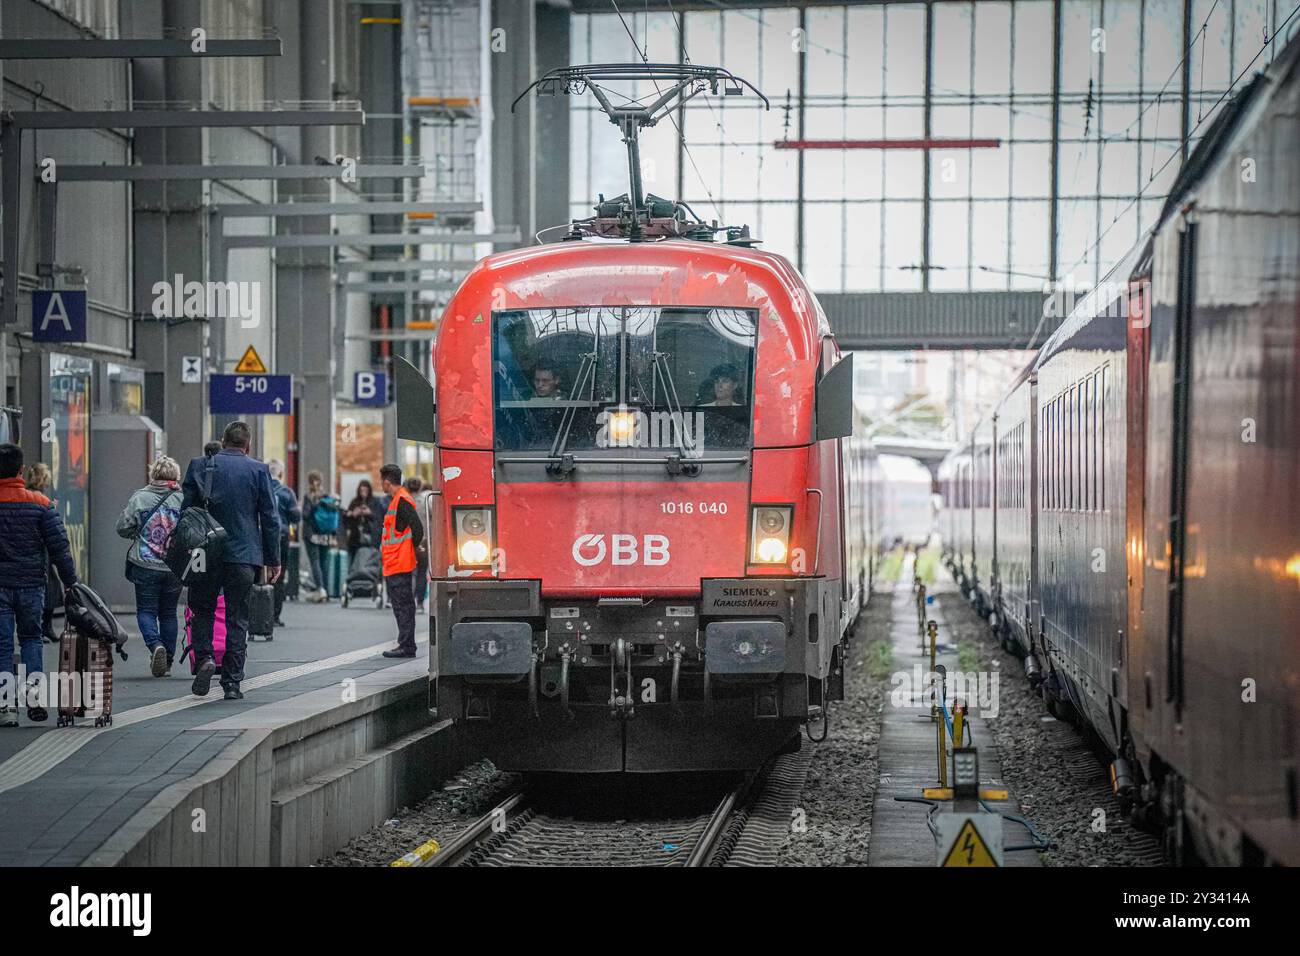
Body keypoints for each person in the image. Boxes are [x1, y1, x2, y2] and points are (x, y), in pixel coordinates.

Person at [181, 422, 280, 701]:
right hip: (244, 556)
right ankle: (233, 682)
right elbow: (270, 518)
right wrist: (273, 559)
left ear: (222, 441)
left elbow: (186, 513)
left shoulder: (200, 466)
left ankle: (204, 659)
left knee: (202, 609)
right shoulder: (258, 470)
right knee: (238, 615)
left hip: (206, 553)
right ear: (247, 446)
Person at [0, 443, 77, 725]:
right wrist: (71, 583)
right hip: (32, 585)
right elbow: (59, 548)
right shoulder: (40, 504)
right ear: (21, 469)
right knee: (32, 639)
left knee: (3, 645)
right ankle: (34, 699)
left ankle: (6, 707)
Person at [116, 456, 184, 677]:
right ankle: (169, 661)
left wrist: (137, 533)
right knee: (169, 613)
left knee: (146, 610)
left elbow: (123, 528)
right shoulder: (182, 499)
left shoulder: (140, 498)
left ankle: (156, 646)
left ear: (153, 475)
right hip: (173, 566)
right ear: (176, 476)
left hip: (144, 564)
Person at [379, 463, 423, 659]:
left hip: (400, 563)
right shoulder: (398, 500)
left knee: (403, 606)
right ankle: (405, 644)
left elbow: (418, 529)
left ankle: (407, 645)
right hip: (395, 563)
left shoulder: (402, 501)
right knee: (401, 606)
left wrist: (409, 548)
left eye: (382, 482)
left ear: (387, 482)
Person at [22, 462, 61, 643]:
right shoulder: (40, 500)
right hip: (40, 552)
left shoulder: (28, 496)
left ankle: (44, 627)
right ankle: (43, 628)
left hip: (32, 552)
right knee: (48, 588)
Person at [268, 459, 301, 627]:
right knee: (278, 577)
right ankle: (274, 616)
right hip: (281, 537)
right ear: (281, 474)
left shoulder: (262, 489)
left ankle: (258, 613)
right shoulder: (287, 492)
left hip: (261, 537)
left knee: (260, 577)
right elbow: (296, 517)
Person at [300, 470, 334, 602]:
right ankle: (326, 590)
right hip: (325, 534)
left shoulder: (309, 497)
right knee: (324, 563)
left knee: (315, 562)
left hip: (311, 534)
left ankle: (320, 589)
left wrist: (313, 505)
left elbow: (305, 515)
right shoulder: (327, 496)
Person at [404, 477, 430, 614]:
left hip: (407, 542)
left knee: (408, 573)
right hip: (423, 542)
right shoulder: (425, 501)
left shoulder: (404, 501)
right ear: (420, 487)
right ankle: (419, 602)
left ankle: (408, 601)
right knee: (421, 571)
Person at [344, 480, 383, 566]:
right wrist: (353, 514)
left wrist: (369, 513)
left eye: (365, 491)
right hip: (355, 537)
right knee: (354, 561)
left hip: (370, 536)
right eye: (361, 491)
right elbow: (346, 519)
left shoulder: (375, 501)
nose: (363, 493)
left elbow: (379, 518)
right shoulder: (354, 501)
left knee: (368, 560)